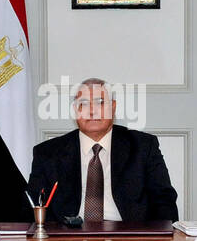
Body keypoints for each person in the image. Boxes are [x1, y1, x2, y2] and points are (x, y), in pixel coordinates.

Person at [27, 78, 178, 222]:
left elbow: (164, 201)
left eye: (100, 103)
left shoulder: (143, 146)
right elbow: (34, 206)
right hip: (68, 238)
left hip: (129, 237)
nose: (92, 111)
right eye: (84, 104)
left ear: (113, 107)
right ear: (75, 110)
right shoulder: (48, 153)